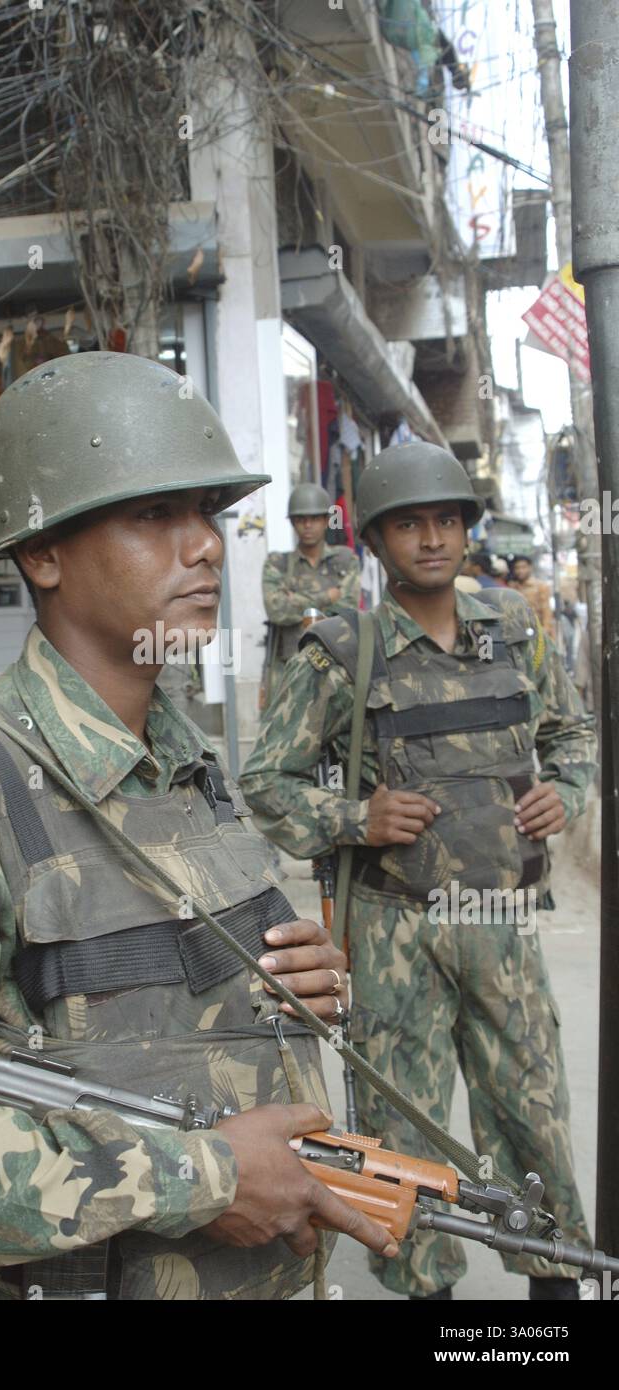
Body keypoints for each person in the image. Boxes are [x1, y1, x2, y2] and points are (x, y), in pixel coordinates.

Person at [0, 351, 395, 1302]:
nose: (204, 547)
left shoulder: (190, 766)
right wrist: (200, 1176)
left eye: (209, 514)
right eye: (155, 516)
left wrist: (286, 993)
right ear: (42, 552)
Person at [241, 441, 596, 1302]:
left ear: (466, 530)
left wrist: (567, 793)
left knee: (531, 1112)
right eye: (409, 524)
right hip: (396, 927)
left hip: (500, 923)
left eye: (446, 520)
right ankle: (429, 1297)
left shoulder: (515, 629)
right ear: (376, 540)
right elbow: (267, 781)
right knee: (411, 1127)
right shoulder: (341, 651)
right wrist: (357, 817)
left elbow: (572, 737)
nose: (431, 539)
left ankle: (553, 1288)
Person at [261, 482, 360, 706]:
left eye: (314, 518)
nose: (307, 525)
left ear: (326, 520)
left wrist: (295, 598)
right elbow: (277, 610)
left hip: (338, 664)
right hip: (289, 667)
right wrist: (325, 597)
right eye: (300, 519)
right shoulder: (278, 563)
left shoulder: (345, 560)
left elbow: (347, 609)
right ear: (293, 523)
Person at [509, 554, 556, 639]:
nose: (520, 571)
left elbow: (547, 613)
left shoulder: (541, 587)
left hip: (537, 633)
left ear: (530, 568)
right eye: (517, 568)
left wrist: (544, 634)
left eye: (523, 567)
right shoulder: (512, 587)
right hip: (518, 634)